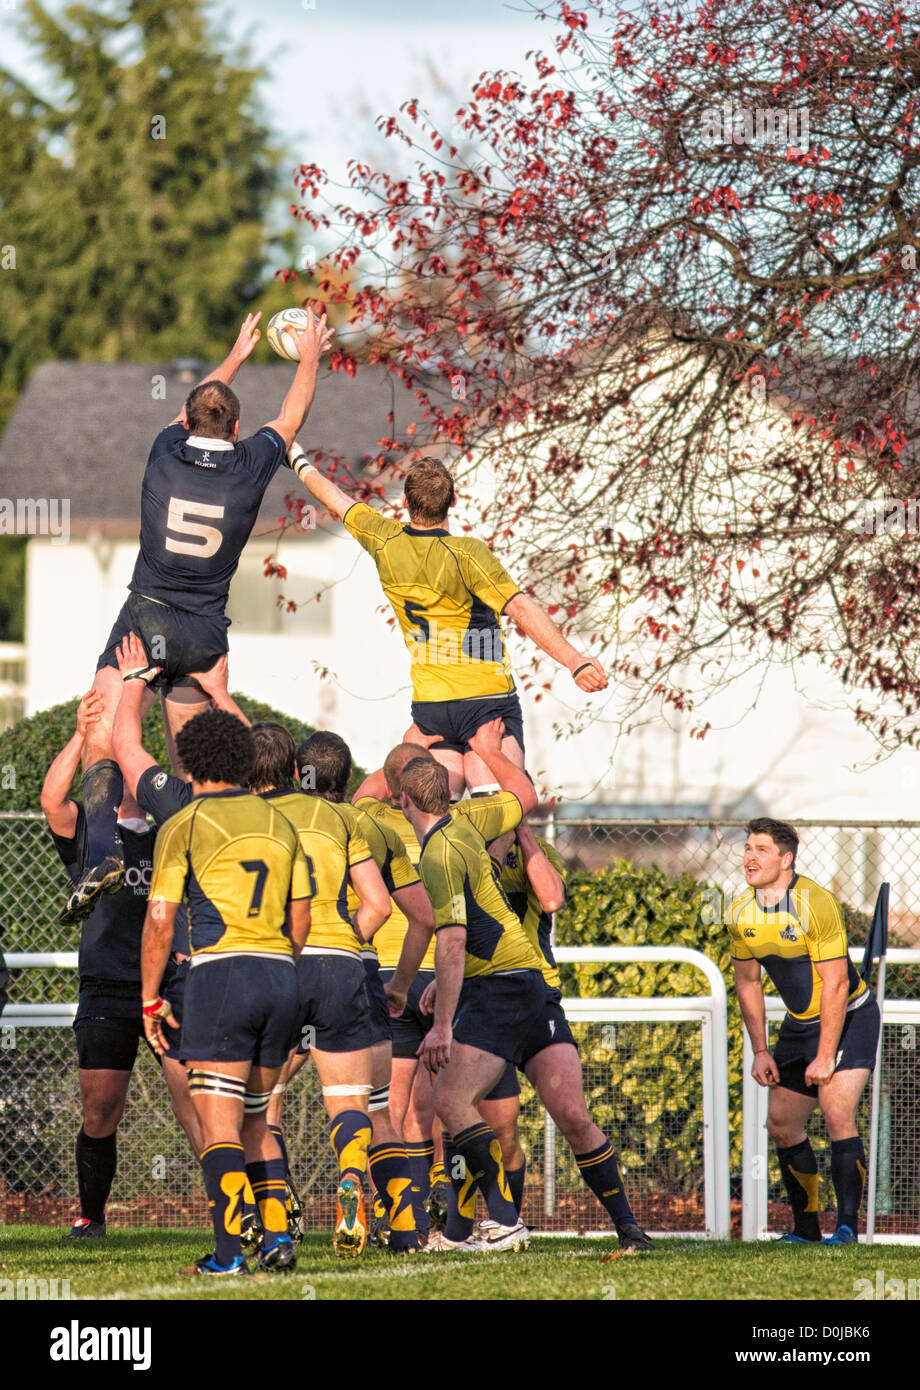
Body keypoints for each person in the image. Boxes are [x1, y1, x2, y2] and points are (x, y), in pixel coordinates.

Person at [63, 307, 333, 925]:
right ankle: (204, 877)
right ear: (237, 428)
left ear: (187, 422)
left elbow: (196, 410)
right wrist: (310, 354)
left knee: (103, 726)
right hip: (206, 635)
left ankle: (102, 852)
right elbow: (290, 417)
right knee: (192, 759)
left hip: (149, 615)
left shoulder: (165, 449)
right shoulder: (249, 466)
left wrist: (235, 355)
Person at [403, 721, 654, 1254]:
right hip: (519, 988)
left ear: (404, 798)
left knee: (452, 1103)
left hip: (508, 990)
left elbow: (453, 938)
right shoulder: (471, 817)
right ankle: (473, 1229)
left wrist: (443, 1023)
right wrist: (446, 993)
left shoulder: (444, 847)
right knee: (542, 1117)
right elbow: (521, 796)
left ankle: (505, 1222)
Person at [288, 452, 606, 798]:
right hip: (486, 701)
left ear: (406, 501)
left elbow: (336, 498)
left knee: (438, 826)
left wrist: (296, 458)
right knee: (497, 818)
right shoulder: (467, 553)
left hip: (432, 709)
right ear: (453, 501)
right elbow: (522, 610)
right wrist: (575, 660)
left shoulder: (384, 540)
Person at [141, 708, 312, 1276]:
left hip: (221, 975)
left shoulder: (183, 824)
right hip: (281, 974)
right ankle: (278, 1241)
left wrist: (148, 999)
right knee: (258, 1120)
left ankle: (227, 1255)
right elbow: (301, 916)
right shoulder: (280, 823)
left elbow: (161, 920)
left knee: (218, 1123)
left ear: (190, 762)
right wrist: (281, 970)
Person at [40, 690, 201, 1240]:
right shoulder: (93, 834)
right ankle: (91, 1217)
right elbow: (51, 799)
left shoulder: (172, 830)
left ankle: (238, 1212)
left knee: (198, 1105)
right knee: (100, 1109)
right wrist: (83, 734)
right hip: (108, 986)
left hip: (172, 984)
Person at [244, 722, 393, 1258]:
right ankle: (352, 1180)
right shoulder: (337, 817)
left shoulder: (241, 819)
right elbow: (378, 905)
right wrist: (347, 941)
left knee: (262, 1105)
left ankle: (276, 1214)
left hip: (275, 963)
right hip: (339, 965)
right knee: (350, 1101)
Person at [729, 818, 881, 1246]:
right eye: (747, 848)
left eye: (761, 849)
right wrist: (760, 1050)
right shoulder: (741, 910)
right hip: (799, 1025)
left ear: (786, 858)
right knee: (781, 1124)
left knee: (836, 1112)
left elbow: (834, 984)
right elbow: (748, 983)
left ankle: (847, 1230)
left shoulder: (816, 902)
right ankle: (807, 1231)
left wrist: (825, 1054)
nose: (750, 857)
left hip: (848, 1015)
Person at [353, 741, 444, 1238]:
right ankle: (445, 1204)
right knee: (441, 1106)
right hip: (445, 972)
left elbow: (370, 786)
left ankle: (394, 1211)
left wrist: (409, 744)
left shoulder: (368, 818)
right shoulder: (454, 826)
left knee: (387, 1105)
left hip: (392, 971)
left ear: (395, 791)